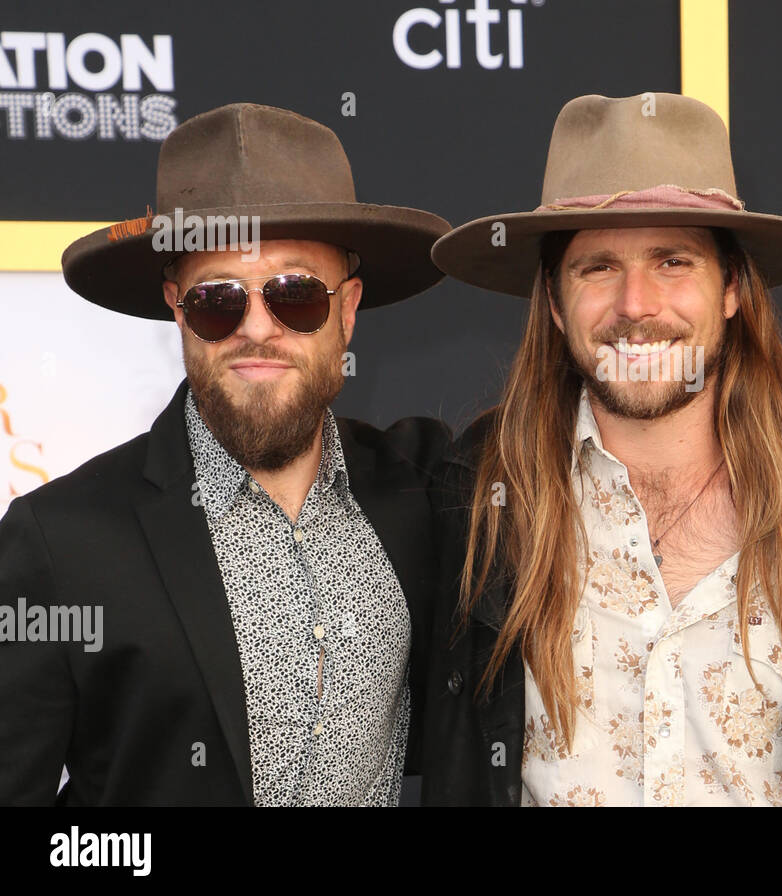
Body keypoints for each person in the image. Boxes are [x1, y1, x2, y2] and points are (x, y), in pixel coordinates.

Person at [421, 92, 782, 806]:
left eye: (673, 261)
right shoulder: (476, 498)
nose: (636, 304)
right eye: (598, 267)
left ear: (732, 288)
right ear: (552, 303)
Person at [0, 102, 455, 805]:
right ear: (177, 310)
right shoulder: (60, 540)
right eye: (218, 300)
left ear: (350, 308)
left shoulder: (425, 494)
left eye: (296, 295)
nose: (257, 330)